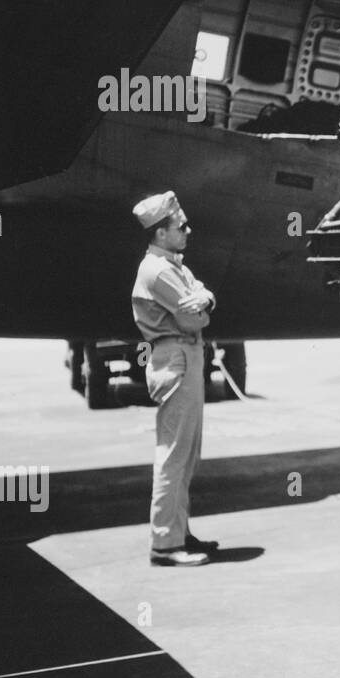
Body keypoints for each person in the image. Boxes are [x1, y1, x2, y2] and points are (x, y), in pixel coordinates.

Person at [131, 191, 219, 567]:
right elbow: (194, 318)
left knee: (187, 453)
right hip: (176, 357)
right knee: (174, 455)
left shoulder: (175, 266)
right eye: (179, 226)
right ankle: (165, 544)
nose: (188, 230)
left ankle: (178, 531)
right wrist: (203, 303)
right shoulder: (161, 271)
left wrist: (205, 299)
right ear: (161, 233)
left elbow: (204, 302)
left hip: (185, 355)